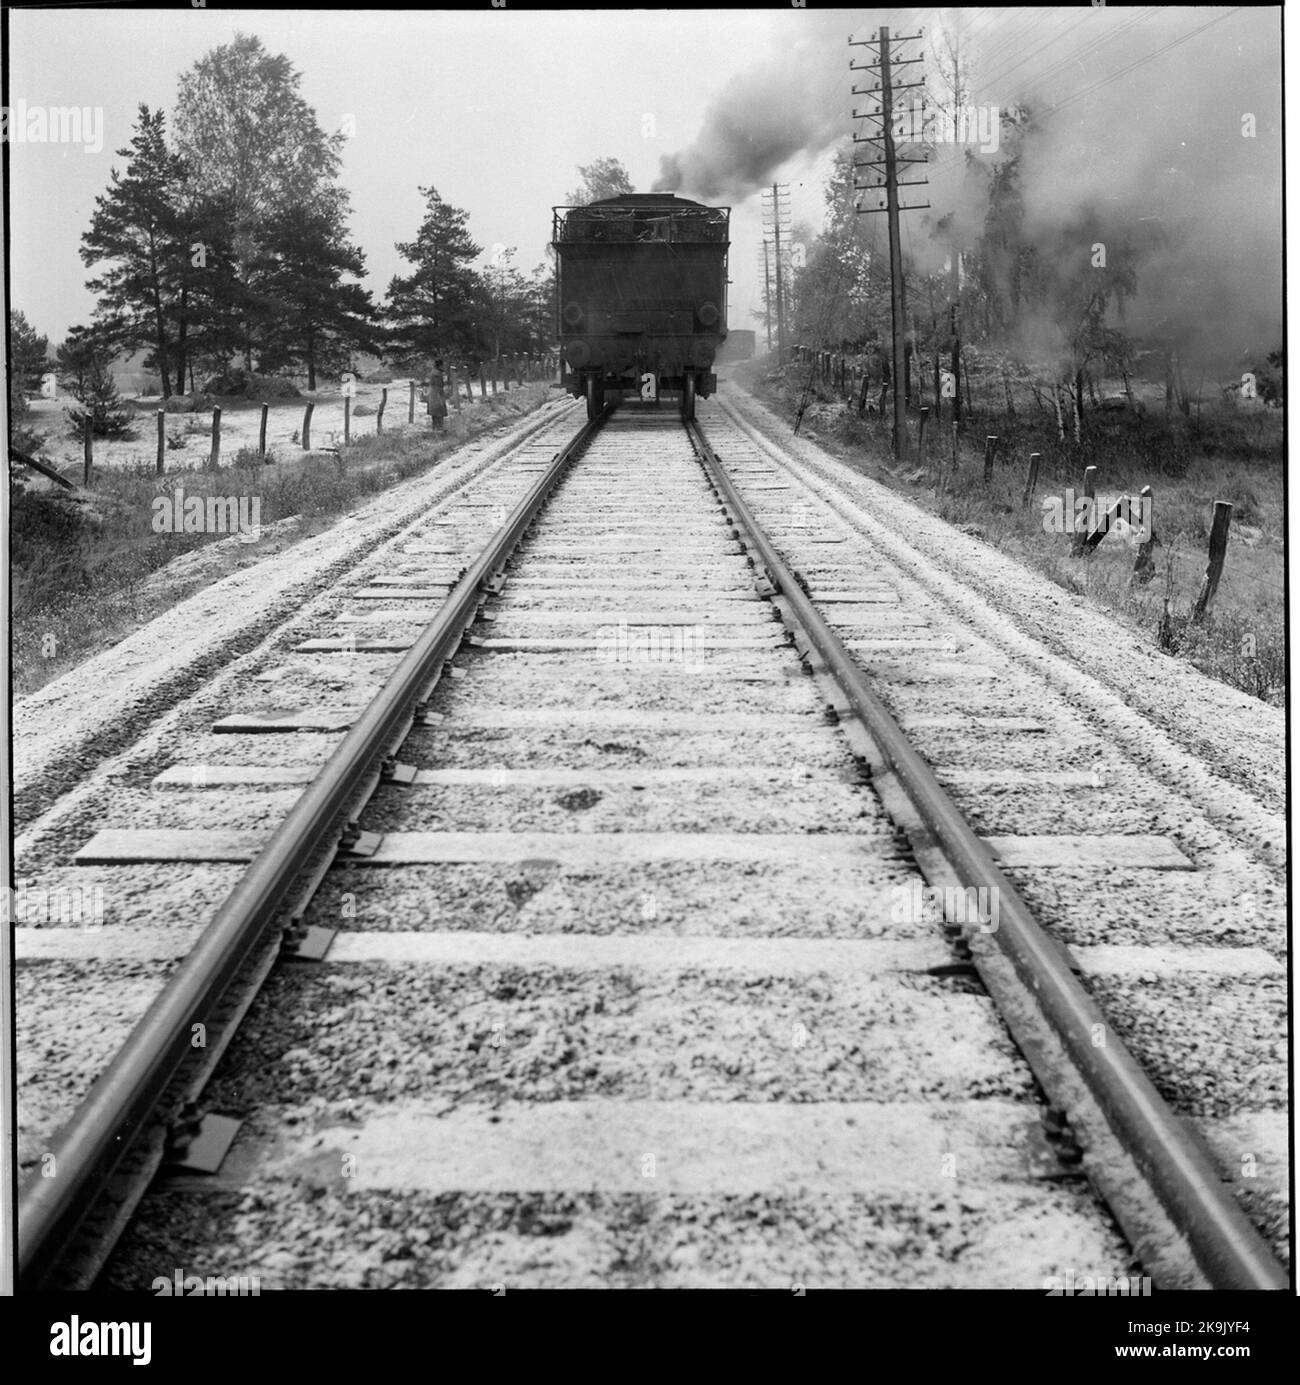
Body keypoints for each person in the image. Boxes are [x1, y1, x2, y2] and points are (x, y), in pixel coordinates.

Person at [428, 359, 448, 427]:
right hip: (436, 394)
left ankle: (436, 426)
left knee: (435, 412)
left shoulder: (434, 372)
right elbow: (438, 384)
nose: (444, 367)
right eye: (443, 365)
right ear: (440, 365)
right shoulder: (437, 374)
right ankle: (439, 427)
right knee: (439, 411)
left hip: (433, 393)